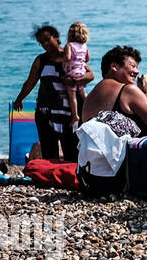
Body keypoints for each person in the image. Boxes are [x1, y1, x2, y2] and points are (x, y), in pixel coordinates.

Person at [14, 25, 91, 162]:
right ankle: (52, 181)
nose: (45, 44)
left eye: (48, 39)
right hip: (46, 114)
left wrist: (75, 80)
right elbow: (30, 82)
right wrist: (19, 99)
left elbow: (90, 75)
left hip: (71, 115)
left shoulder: (71, 55)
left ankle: (72, 181)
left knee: (72, 153)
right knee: (49, 153)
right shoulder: (41, 60)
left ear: (56, 37)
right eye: (42, 42)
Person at [81, 45, 147, 137]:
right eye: (133, 66)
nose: (137, 71)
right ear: (114, 67)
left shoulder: (89, 98)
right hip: (128, 157)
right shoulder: (128, 90)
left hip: (92, 157)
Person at [59, 22, 91, 126]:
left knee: (72, 95)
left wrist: (61, 59)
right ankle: (92, 107)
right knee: (82, 93)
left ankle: (75, 115)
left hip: (72, 72)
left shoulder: (69, 45)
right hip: (81, 72)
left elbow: (67, 58)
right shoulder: (84, 46)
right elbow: (87, 59)